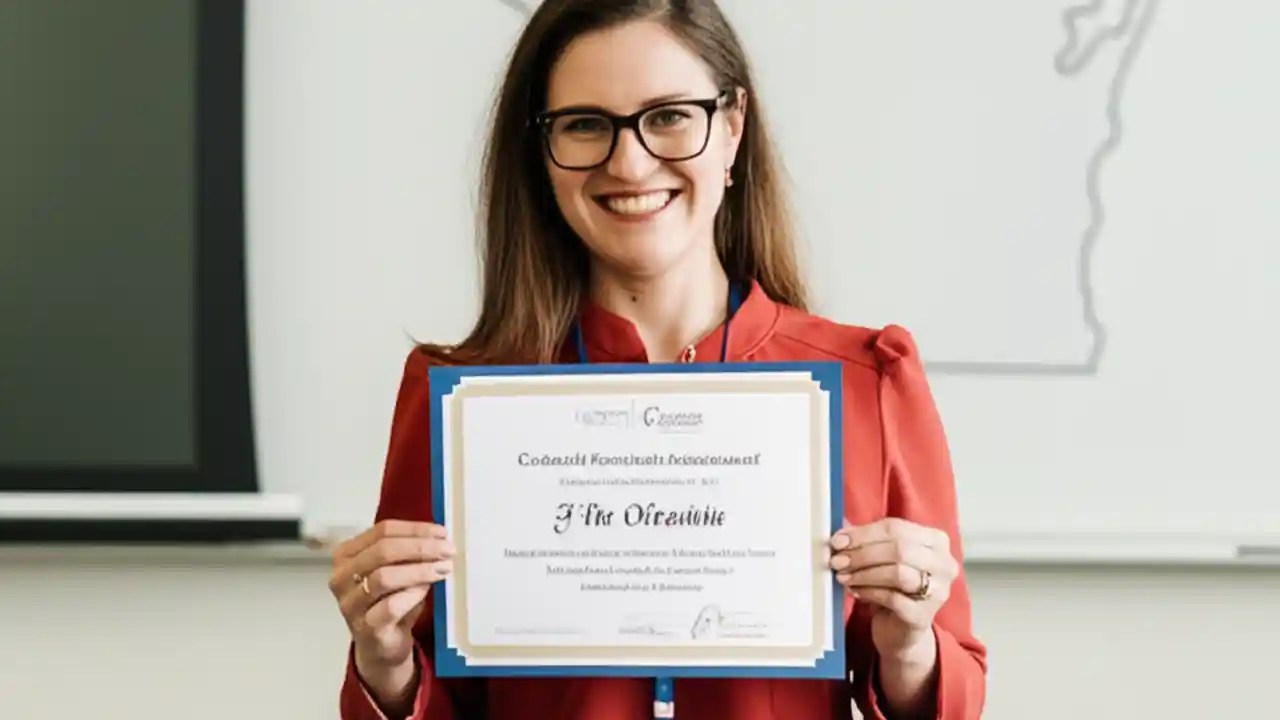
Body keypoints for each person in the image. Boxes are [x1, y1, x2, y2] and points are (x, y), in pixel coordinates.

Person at [328, 1, 987, 717]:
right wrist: (385, 657)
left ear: (733, 127)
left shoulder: (868, 380)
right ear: (540, 152)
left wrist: (910, 645)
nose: (630, 161)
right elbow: (429, 694)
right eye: (585, 125)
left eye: (669, 115)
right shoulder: (461, 400)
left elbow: (946, 701)